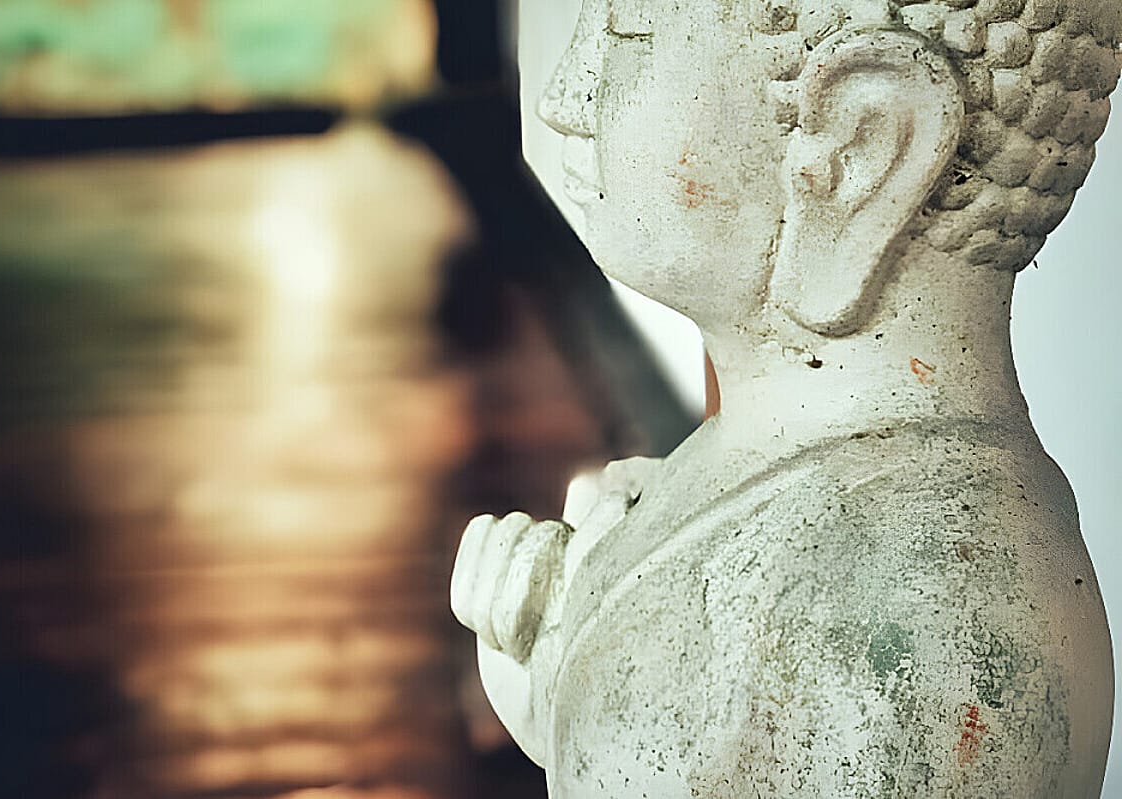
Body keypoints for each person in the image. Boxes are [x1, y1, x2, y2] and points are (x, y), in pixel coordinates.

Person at [452, 0, 1121, 794]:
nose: (565, 98)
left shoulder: (914, 628)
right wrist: (571, 687)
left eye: (626, 33)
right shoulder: (796, 474)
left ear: (861, 147)